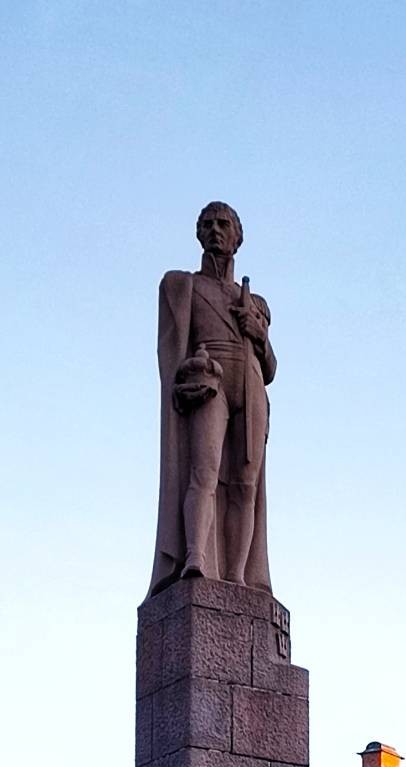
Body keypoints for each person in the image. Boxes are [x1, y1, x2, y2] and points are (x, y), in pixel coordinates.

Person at [151, 201, 276, 593]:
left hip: (250, 387)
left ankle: (237, 577)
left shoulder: (255, 303)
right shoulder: (185, 285)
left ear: (238, 238)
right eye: (207, 224)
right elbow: (173, 355)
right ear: (199, 234)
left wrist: (258, 333)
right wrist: (189, 372)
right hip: (212, 381)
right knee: (202, 473)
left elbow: (270, 368)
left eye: (223, 224)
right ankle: (196, 557)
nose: (215, 230)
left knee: (245, 484)